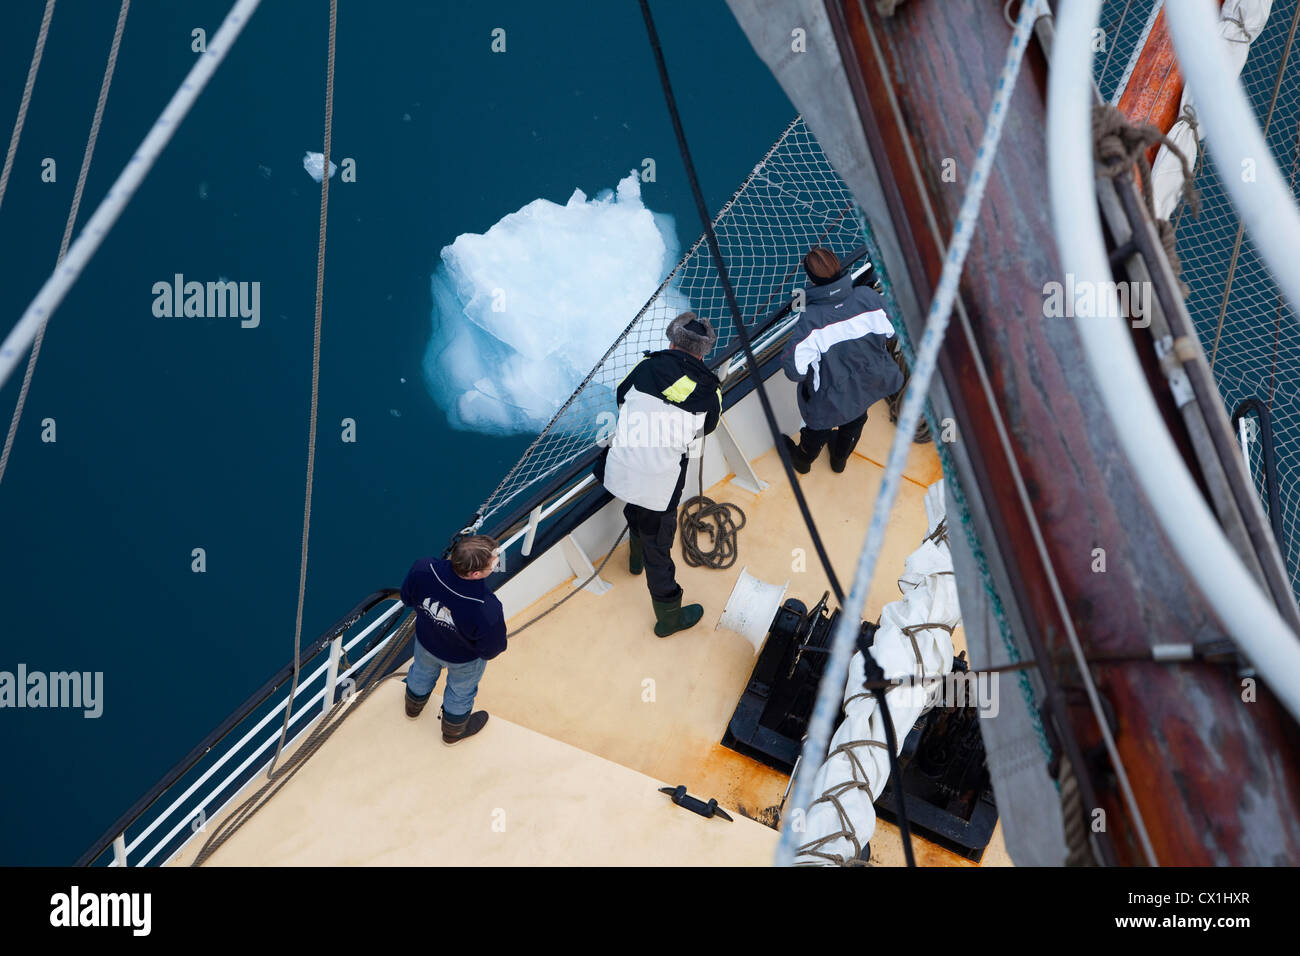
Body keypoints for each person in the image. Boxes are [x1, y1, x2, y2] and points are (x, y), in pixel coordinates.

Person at [595, 311, 721, 638]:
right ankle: (668, 619)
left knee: (636, 507)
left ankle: (634, 557)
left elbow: (622, 396)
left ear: (672, 339)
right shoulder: (710, 390)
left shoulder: (646, 367)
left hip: (618, 469)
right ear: (703, 351)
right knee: (659, 549)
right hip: (658, 485)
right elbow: (707, 426)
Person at [780, 246, 903, 474]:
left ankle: (803, 461)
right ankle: (839, 461)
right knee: (856, 419)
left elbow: (794, 370)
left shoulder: (811, 321)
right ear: (839, 267)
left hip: (829, 400)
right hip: (869, 385)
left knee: (817, 430)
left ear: (811, 280)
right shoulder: (869, 298)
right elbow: (893, 332)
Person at [400, 535, 507, 744]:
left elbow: (407, 598)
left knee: (420, 673)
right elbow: (492, 649)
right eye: (494, 560)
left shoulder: (423, 568)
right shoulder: (486, 608)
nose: (497, 560)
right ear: (476, 574)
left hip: (426, 642)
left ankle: (412, 708)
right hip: (463, 659)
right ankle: (452, 733)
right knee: (460, 692)